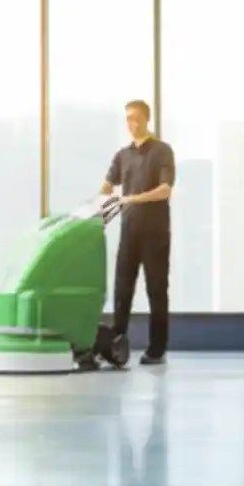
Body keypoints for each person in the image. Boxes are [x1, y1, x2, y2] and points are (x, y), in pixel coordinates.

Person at [100, 99, 175, 366]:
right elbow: (108, 185)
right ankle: (116, 344)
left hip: (156, 233)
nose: (131, 123)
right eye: (128, 119)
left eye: (135, 118)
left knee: (156, 289)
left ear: (146, 119)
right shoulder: (123, 155)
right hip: (128, 231)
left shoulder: (162, 151)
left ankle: (157, 349)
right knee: (122, 289)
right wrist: (102, 199)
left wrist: (133, 199)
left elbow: (165, 190)